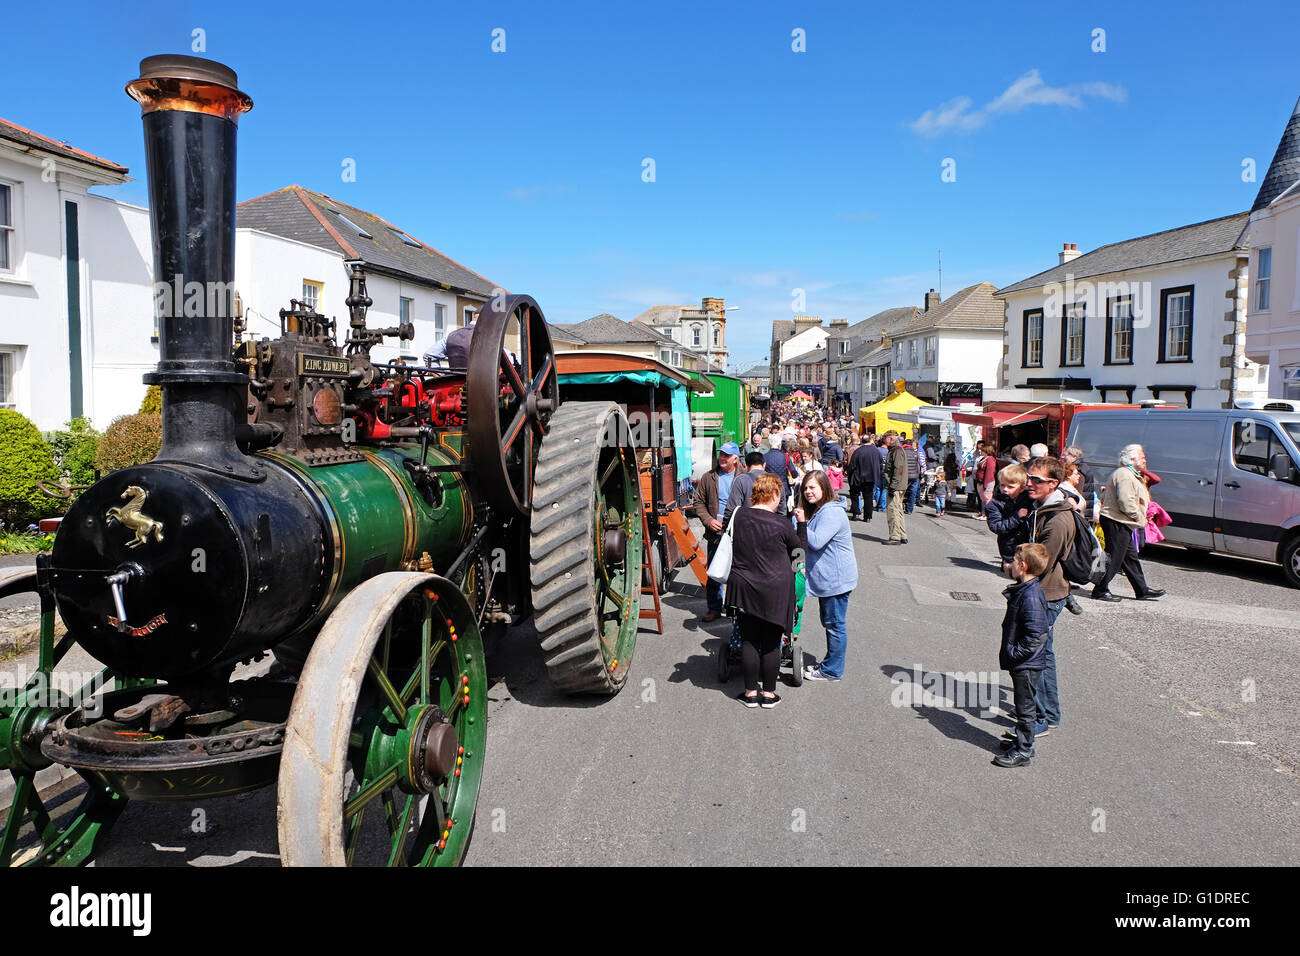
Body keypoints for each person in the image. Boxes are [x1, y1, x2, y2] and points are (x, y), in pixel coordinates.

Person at [726, 474, 807, 708]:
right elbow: (799, 554)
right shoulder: (782, 523)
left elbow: (726, 538)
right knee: (771, 642)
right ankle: (769, 695)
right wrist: (801, 525)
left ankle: (750, 693)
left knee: (749, 640)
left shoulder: (738, 515)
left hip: (743, 585)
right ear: (773, 495)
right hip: (776, 588)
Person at [1020, 456, 1075, 739]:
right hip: (1046, 592)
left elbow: (1041, 564)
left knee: (1035, 658)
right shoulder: (1044, 508)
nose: (1030, 483)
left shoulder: (1057, 520)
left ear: (1053, 483)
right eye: (1029, 477)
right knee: (1044, 655)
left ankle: (1043, 715)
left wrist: (1016, 565)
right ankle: (1048, 713)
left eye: (1036, 480)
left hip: (1047, 594)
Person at [795, 471, 858, 682]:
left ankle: (832, 670)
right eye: (805, 488)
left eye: (812, 487)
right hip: (830, 579)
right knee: (830, 622)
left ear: (824, 487)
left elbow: (816, 541)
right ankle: (831, 663)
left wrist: (801, 522)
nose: (808, 492)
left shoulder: (831, 512)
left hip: (836, 580)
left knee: (835, 624)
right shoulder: (821, 510)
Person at [993, 542, 1052, 768]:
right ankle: (1021, 741)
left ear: (1024, 565)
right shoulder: (1026, 589)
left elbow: (1037, 635)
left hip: (1026, 664)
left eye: (1015, 562)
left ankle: (1024, 750)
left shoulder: (1031, 596)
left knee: (1025, 708)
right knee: (1022, 705)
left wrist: (1014, 654)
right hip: (1024, 662)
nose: (1011, 565)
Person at [1094, 444, 1165, 603]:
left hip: (1121, 521)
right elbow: (1126, 502)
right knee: (1114, 557)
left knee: (1130, 558)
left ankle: (1142, 590)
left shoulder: (1131, 473)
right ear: (1132, 459)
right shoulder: (1124, 474)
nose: (1145, 459)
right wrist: (1140, 518)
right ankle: (1100, 589)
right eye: (1142, 457)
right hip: (1117, 520)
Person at [693, 442, 740, 623]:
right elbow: (698, 503)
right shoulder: (709, 477)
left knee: (736, 574)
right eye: (721, 454)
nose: (722, 458)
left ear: (735, 459)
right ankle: (714, 608)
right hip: (715, 533)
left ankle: (734, 608)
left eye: (727, 456)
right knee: (714, 572)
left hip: (737, 534)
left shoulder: (743, 477)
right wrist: (708, 520)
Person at [985, 464, 1031, 575]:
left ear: (1022, 487)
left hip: (1028, 546)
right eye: (1002, 485)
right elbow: (996, 526)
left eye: (1010, 486)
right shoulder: (994, 505)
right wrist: (1016, 517)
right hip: (1009, 547)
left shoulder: (1028, 498)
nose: (1005, 489)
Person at [848, 433, 883, 521]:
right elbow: (881, 464)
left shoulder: (858, 451)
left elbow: (852, 465)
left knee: (855, 495)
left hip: (858, 477)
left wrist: (850, 475)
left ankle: (855, 513)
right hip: (870, 477)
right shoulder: (875, 451)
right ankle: (868, 516)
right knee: (868, 497)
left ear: (862, 441)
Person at [884, 433, 909, 544]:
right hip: (899, 484)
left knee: (893, 511)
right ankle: (902, 535)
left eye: (885, 439)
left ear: (890, 438)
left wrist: (893, 486)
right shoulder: (896, 450)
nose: (885, 442)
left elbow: (899, 469)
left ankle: (895, 536)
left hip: (896, 485)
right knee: (898, 510)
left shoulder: (896, 450)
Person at [903, 440, 921, 514]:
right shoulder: (915, 453)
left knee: (903, 491)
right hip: (915, 476)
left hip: (905, 475)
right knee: (913, 492)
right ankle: (909, 509)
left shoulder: (903, 452)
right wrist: (918, 474)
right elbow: (918, 465)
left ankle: (901, 506)